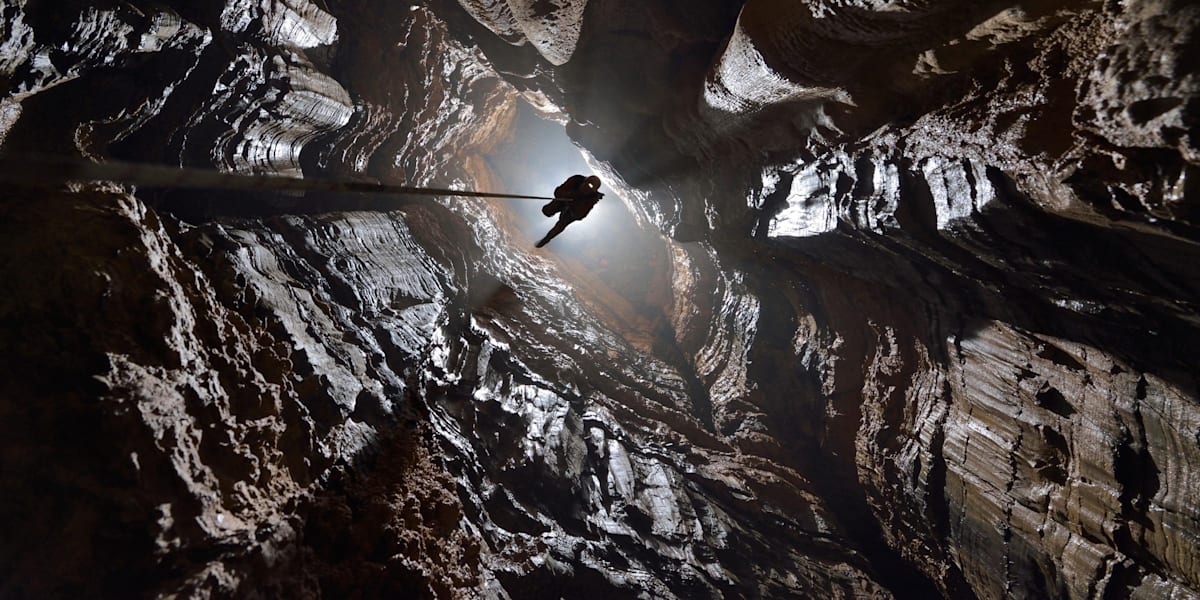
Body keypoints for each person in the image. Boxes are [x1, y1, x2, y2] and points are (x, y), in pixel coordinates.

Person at [535, 174, 603, 248]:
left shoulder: (591, 198)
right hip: (564, 199)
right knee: (546, 211)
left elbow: (581, 215)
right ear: (584, 181)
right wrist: (570, 195)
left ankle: (547, 238)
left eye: (590, 189)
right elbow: (558, 191)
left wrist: (576, 205)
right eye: (587, 185)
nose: (587, 189)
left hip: (572, 211)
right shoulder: (575, 180)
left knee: (561, 224)